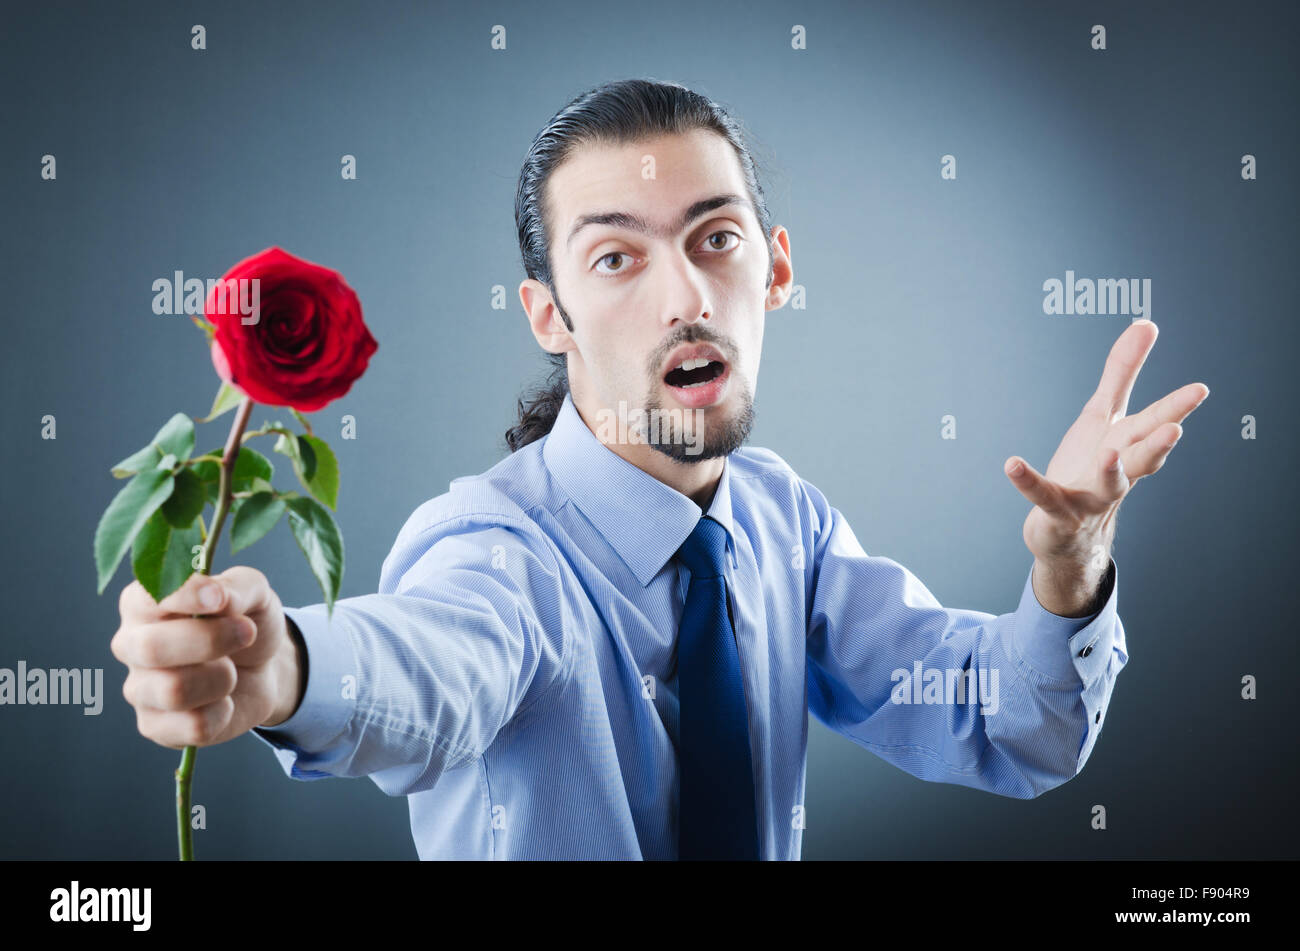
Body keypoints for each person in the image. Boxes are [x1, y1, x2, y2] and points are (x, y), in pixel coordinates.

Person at [110, 78, 1208, 860]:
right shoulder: (496, 555)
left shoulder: (786, 524)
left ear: (774, 271)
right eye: (616, 257)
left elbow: (1012, 725)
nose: (684, 295)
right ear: (551, 315)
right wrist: (287, 668)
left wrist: (1073, 563)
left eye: (715, 238)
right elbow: (428, 665)